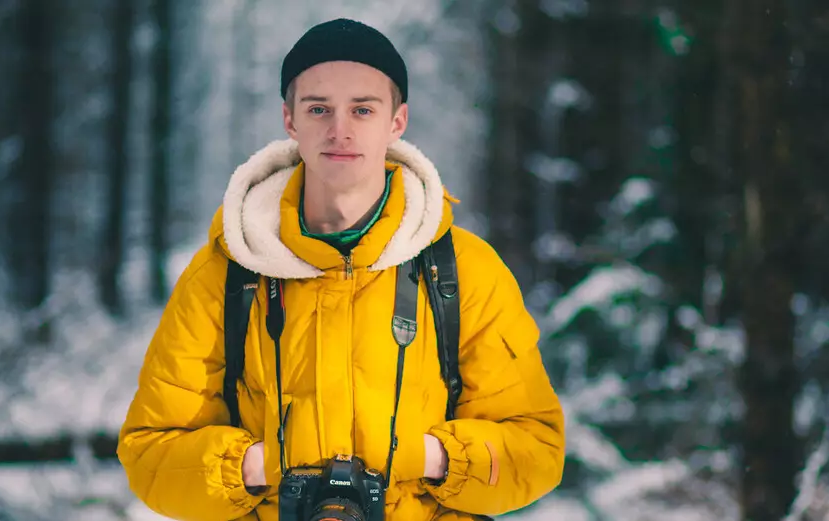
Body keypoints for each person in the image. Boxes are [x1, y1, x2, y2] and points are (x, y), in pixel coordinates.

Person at [117, 18, 565, 521]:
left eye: (363, 109)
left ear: (397, 121)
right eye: (318, 109)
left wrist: (426, 457)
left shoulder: (465, 272)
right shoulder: (227, 270)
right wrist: (260, 465)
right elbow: (149, 454)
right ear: (290, 120)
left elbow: (536, 450)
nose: (340, 129)